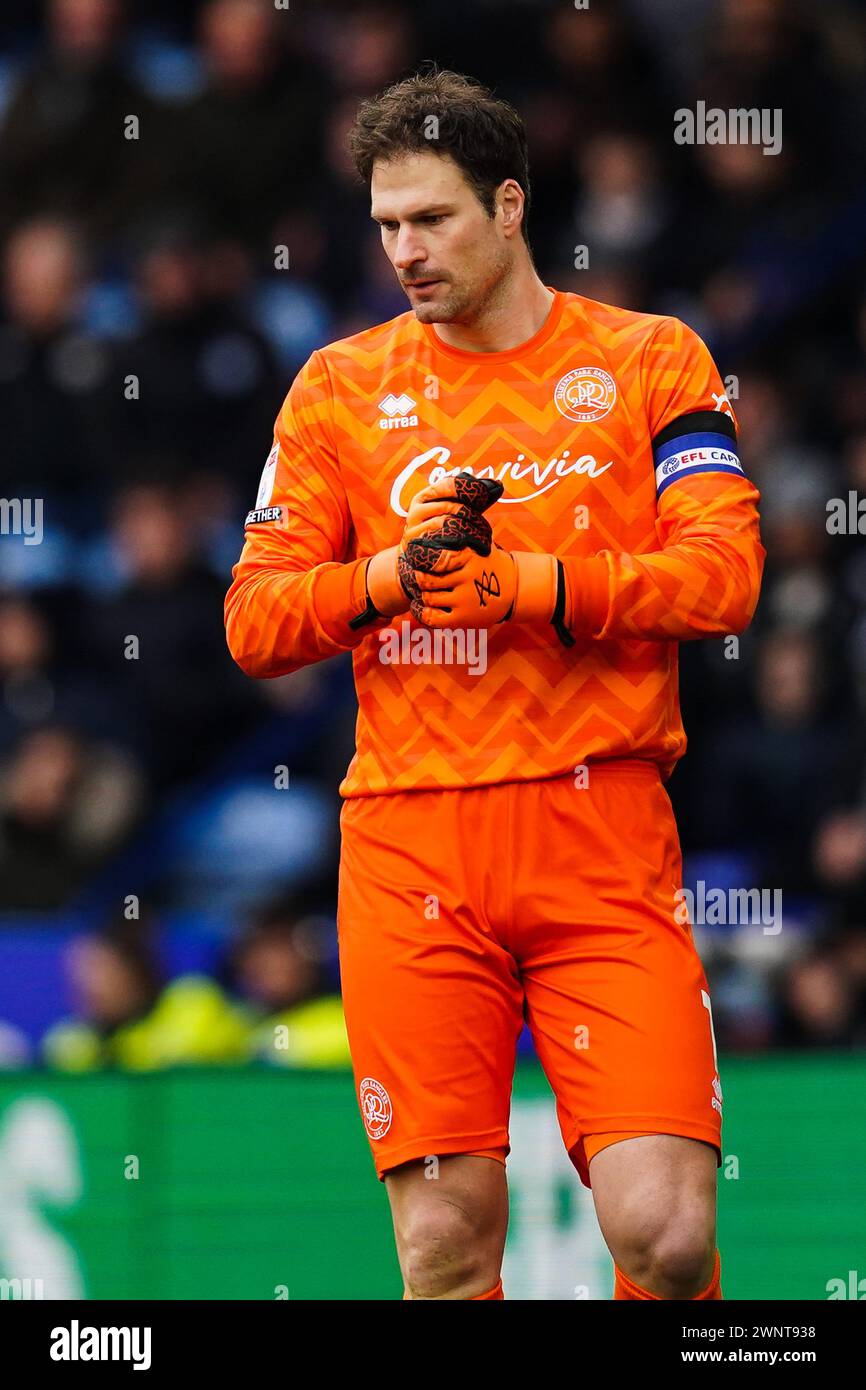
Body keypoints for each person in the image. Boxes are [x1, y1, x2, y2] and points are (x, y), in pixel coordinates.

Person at [225, 68, 764, 1301]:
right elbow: (252, 621)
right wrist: (381, 579)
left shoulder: (649, 359)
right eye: (385, 225)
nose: (403, 251)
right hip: (411, 841)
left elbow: (723, 574)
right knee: (442, 1249)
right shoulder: (335, 389)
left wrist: (531, 585)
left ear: (510, 206)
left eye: (431, 220)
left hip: (600, 830)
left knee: (666, 1237)